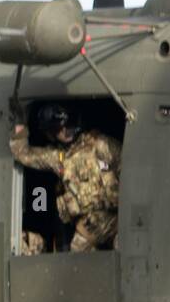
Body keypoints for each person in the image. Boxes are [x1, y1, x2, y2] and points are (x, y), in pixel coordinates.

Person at [10, 104, 121, 252]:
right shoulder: (60, 158)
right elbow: (22, 153)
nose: (63, 131)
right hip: (89, 227)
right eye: (56, 130)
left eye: (65, 125)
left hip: (115, 218)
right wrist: (19, 122)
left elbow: (130, 168)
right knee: (76, 255)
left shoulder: (100, 144)